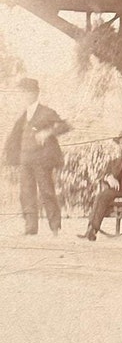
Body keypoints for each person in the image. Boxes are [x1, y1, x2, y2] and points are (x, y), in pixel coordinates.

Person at [3, 76, 70, 236]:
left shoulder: (46, 112)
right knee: (26, 193)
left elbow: (65, 125)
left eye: (25, 92)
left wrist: (48, 132)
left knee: (47, 192)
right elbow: (14, 139)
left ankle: (55, 227)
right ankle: (30, 228)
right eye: (22, 92)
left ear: (34, 93)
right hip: (25, 160)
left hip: (42, 161)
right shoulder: (23, 116)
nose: (23, 96)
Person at [78, 131, 122, 241]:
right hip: (119, 189)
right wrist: (108, 177)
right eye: (121, 143)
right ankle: (92, 229)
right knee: (102, 195)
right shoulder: (115, 162)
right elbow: (103, 175)